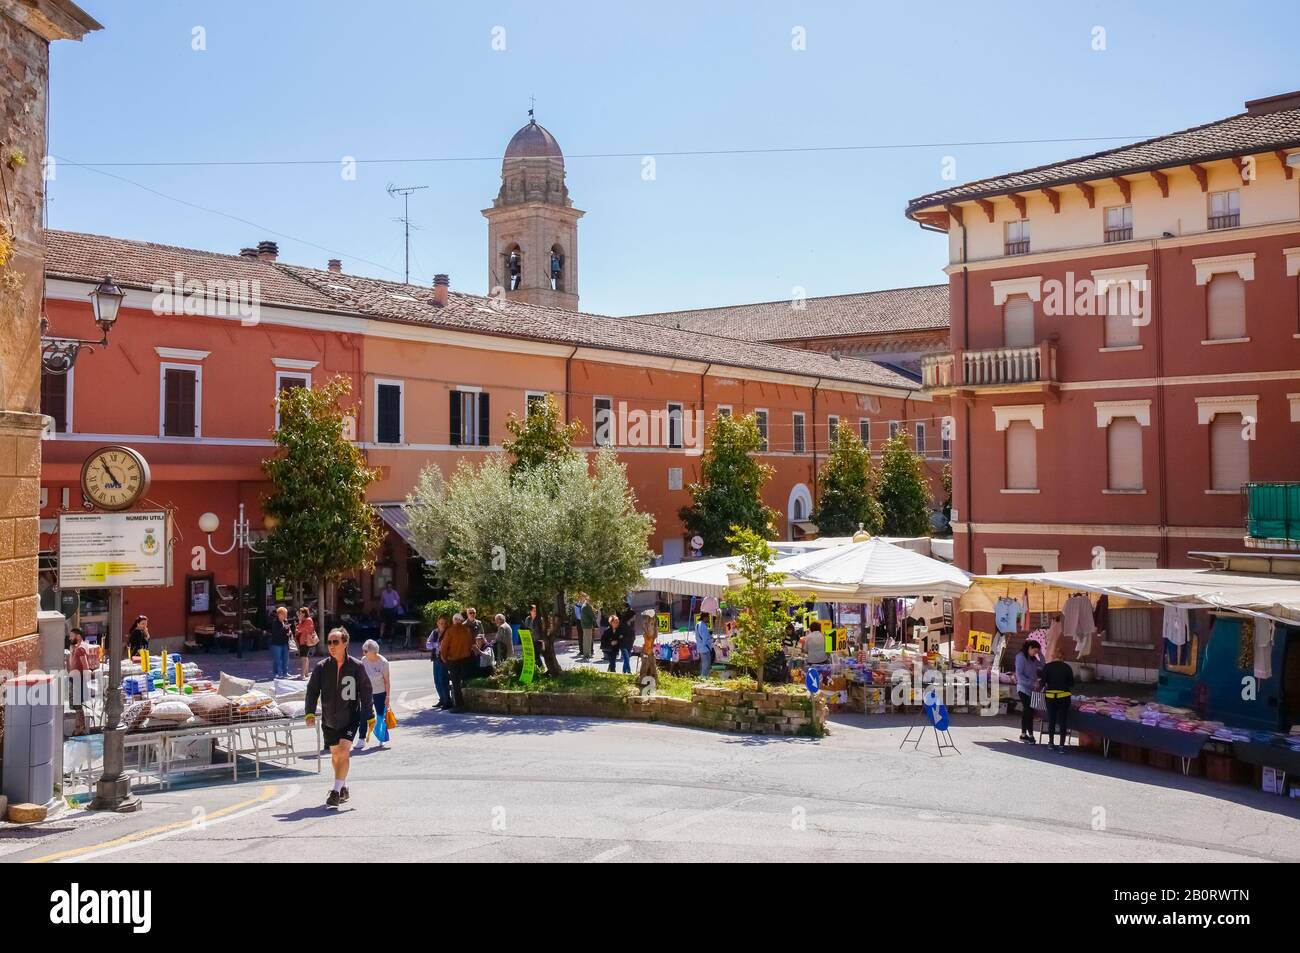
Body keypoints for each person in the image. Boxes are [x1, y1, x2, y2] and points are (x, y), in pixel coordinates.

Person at [305, 627, 375, 808]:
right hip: (329, 719)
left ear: (345, 643)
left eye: (335, 642)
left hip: (350, 717)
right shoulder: (321, 667)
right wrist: (310, 712)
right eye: (329, 642)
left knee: (344, 751)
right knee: (336, 755)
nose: (331, 646)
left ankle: (335, 792)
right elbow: (312, 691)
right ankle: (342, 786)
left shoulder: (356, 666)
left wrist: (369, 714)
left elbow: (366, 691)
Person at [357, 639, 392, 750]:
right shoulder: (364, 660)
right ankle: (361, 739)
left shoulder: (383, 662)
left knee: (381, 715)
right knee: (363, 715)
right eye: (363, 650)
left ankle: (382, 738)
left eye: (366, 651)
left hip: (380, 692)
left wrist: (387, 697)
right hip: (367, 691)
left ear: (374, 652)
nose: (364, 653)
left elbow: (387, 681)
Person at [438, 613, 474, 712]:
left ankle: (459, 705)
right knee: (463, 681)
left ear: (454, 620)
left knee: (455, 683)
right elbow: (471, 643)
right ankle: (463, 704)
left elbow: (444, 647)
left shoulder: (450, 631)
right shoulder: (467, 630)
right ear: (462, 620)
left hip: (453, 660)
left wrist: (444, 659)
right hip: (465, 659)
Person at [1041, 649, 1075, 752]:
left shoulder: (1047, 667)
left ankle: (1051, 743)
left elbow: (1042, 682)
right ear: (1063, 657)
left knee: (1052, 719)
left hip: (1051, 697)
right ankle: (1061, 746)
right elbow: (1071, 683)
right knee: (1063, 720)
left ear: (1053, 656)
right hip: (1064, 697)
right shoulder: (1067, 667)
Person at [1015, 638, 1045, 743]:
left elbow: (1043, 665)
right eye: (1035, 651)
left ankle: (1023, 734)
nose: (1035, 653)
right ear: (1029, 648)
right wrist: (1032, 683)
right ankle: (1031, 735)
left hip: (1031, 689)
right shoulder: (1020, 657)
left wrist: (1040, 653)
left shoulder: (1033, 659)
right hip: (1022, 687)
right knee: (1029, 710)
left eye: (1037, 652)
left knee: (1026, 711)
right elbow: (1019, 675)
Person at [67, 626, 94, 734]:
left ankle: (80, 728)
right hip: (74, 678)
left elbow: (85, 665)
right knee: (76, 705)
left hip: (78, 679)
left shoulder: (81, 649)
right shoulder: (74, 648)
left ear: (78, 636)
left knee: (78, 705)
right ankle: (78, 727)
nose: (70, 638)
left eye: (72, 636)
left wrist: (86, 678)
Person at [429, 614, 452, 710]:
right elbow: (428, 644)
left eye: (443, 623)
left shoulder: (448, 632)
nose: (442, 625)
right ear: (437, 623)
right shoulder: (434, 633)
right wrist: (437, 645)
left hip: (444, 658)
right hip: (436, 658)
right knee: (437, 680)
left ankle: (447, 701)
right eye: (440, 623)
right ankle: (442, 699)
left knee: (443, 680)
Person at [269, 605, 292, 679]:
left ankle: (285, 672)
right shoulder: (275, 622)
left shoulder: (285, 621)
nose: (286, 615)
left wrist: (289, 632)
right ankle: (278, 673)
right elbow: (276, 633)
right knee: (277, 659)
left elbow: (287, 631)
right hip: (276, 643)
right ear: (280, 614)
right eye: (285, 614)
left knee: (285, 658)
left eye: (286, 614)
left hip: (285, 642)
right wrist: (283, 628)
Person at [296, 606, 319, 679]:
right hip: (302, 641)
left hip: (305, 641)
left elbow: (302, 629)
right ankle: (306, 673)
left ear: (304, 613)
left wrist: (300, 622)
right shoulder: (304, 620)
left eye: (300, 613)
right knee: (305, 657)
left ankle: (302, 675)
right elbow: (298, 629)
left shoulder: (308, 620)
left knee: (304, 658)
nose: (299, 614)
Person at [524, 604, 547, 675]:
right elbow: (526, 628)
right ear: (530, 611)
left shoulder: (540, 619)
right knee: (532, 656)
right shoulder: (528, 619)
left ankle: (541, 668)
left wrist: (543, 641)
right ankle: (537, 669)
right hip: (530, 640)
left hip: (538, 640)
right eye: (534, 611)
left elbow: (543, 630)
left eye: (536, 611)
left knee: (537, 655)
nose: (535, 612)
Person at [577, 593, 597, 661]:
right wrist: (594, 613)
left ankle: (587, 654)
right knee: (588, 640)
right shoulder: (587, 606)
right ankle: (587, 654)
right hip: (587, 625)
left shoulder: (584, 605)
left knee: (586, 640)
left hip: (585, 625)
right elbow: (592, 616)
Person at [695, 613, 714, 678]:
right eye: (708, 617)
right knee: (706, 664)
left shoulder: (698, 624)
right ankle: (703, 677)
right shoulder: (702, 625)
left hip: (700, 647)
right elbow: (705, 638)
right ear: (704, 617)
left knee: (703, 663)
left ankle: (702, 677)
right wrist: (711, 640)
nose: (708, 618)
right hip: (705, 648)